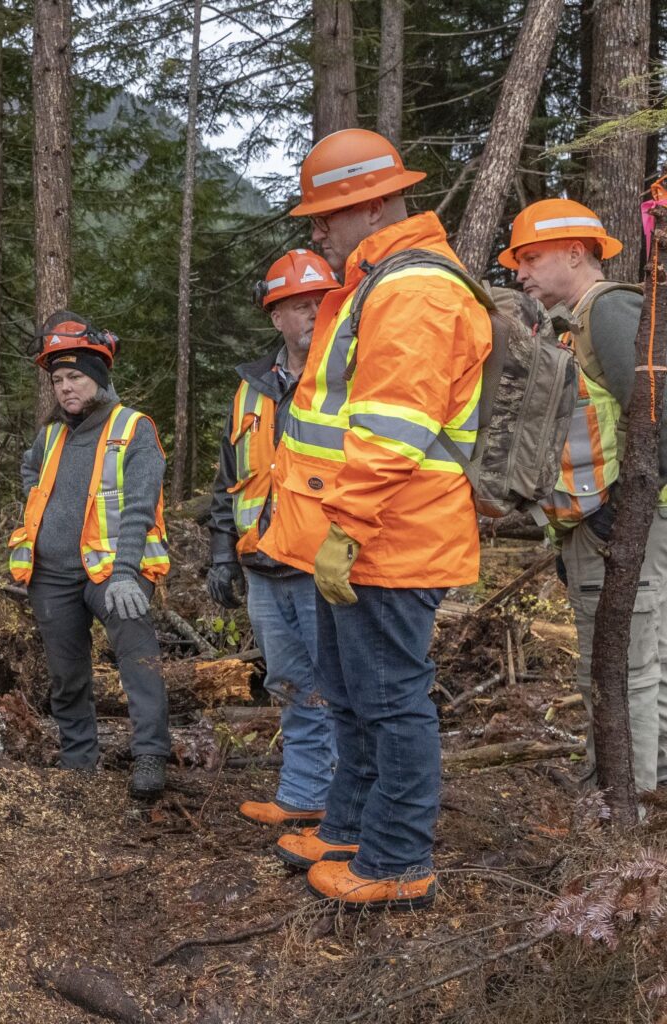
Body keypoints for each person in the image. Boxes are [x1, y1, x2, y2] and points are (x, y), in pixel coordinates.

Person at [261, 129, 491, 910]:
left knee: (392, 699)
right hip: (359, 537)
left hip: (394, 537)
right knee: (351, 693)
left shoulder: (415, 291)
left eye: (325, 215)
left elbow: (392, 431)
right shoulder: (375, 282)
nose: (316, 230)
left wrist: (347, 528)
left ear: (372, 203)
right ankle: (350, 827)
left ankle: (397, 859)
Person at [502, 198, 663, 800]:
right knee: (637, 667)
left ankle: (623, 814)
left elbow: (656, 413)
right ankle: (644, 797)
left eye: (532, 257)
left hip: (620, 523)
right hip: (601, 524)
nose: (520, 272)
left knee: (622, 672)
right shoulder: (573, 325)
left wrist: (624, 509)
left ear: (577, 252)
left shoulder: (610, 313)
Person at [9, 311, 173, 801]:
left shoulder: (133, 428)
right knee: (66, 673)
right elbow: (28, 471)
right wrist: (39, 503)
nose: (64, 388)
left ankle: (150, 756)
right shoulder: (53, 433)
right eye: (58, 380)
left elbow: (141, 507)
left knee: (139, 661)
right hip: (52, 576)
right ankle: (79, 764)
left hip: (113, 573)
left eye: (75, 376)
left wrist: (125, 574)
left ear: (98, 377)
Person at [207, 249, 340, 828]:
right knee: (291, 688)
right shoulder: (251, 391)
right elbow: (229, 479)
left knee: (339, 690)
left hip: (324, 563)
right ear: (275, 317)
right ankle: (304, 793)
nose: (311, 314)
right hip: (264, 566)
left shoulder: (347, 379)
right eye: (298, 306)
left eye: (320, 303)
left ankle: (346, 808)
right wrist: (220, 554)